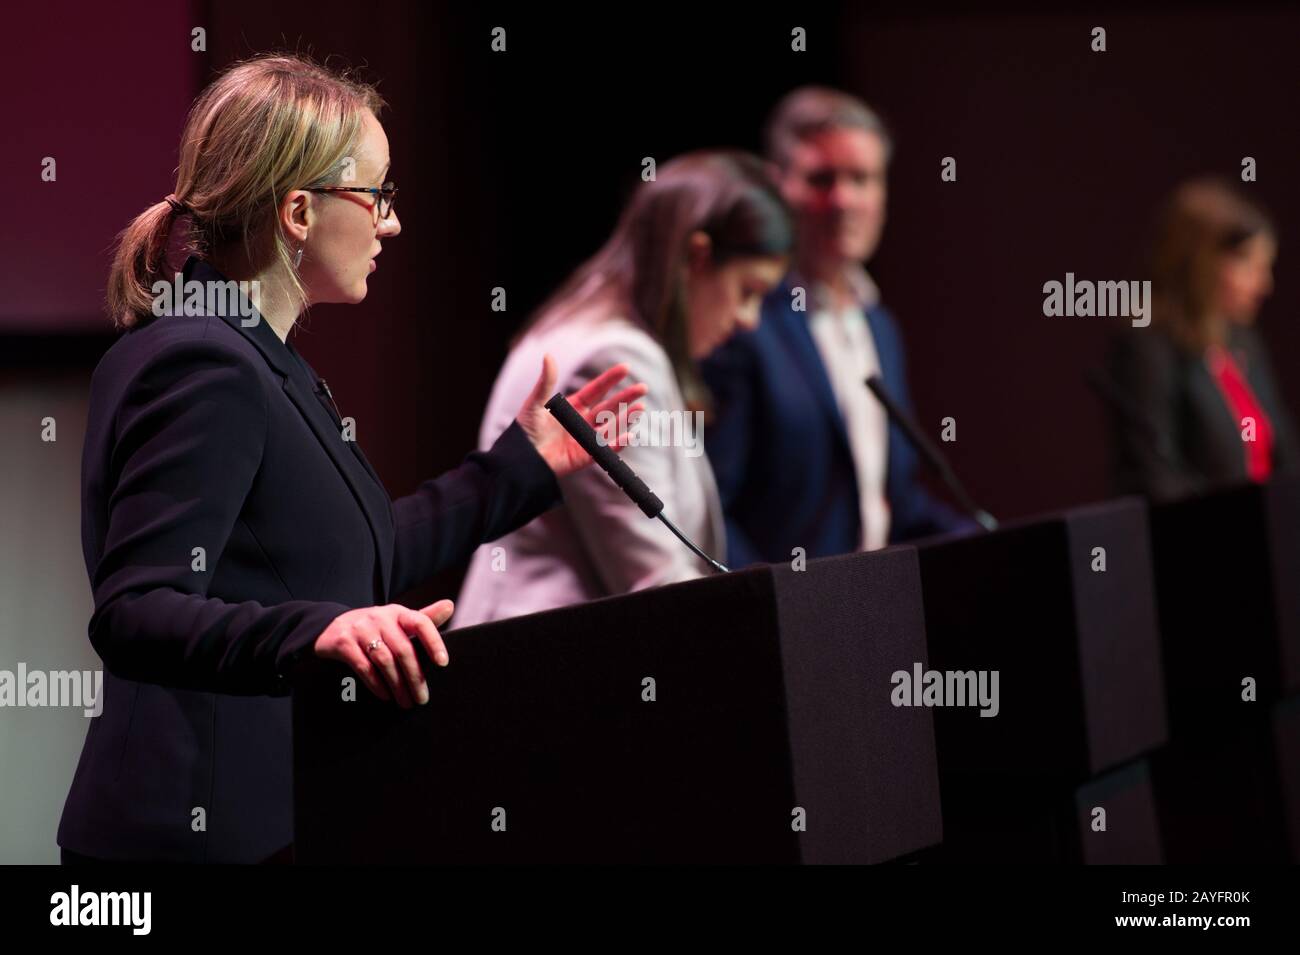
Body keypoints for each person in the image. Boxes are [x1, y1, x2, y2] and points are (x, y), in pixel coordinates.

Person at [57, 53, 644, 864]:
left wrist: (523, 467)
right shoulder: (206, 362)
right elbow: (136, 609)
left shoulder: (252, 356)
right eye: (376, 195)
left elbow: (348, 559)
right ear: (298, 211)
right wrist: (317, 632)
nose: (390, 223)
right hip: (193, 838)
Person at [454, 151, 791, 626]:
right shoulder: (614, 358)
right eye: (747, 291)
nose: (749, 321)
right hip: (544, 672)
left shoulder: (589, 326)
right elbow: (654, 579)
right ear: (696, 257)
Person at [701, 86, 972, 569]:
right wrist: (772, 608)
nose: (843, 200)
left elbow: (892, 501)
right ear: (775, 185)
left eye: (862, 179)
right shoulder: (741, 324)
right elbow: (710, 513)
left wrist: (988, 541)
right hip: (780, 620)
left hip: (867, 611)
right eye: (821, 179)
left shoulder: (879, 326)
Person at [1108, 178, 1299, 501]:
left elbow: (1285, 456)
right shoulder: (1147, 347)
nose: (1264, 285)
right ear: (1203, 262)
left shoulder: (1243, 343)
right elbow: (1156, 479)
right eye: (1249, 267)